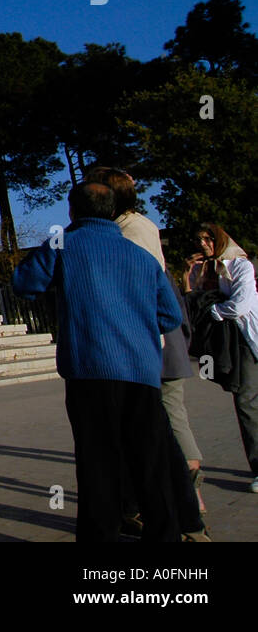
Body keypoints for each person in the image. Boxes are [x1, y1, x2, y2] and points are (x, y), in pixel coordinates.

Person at [14, 181, 182, 542]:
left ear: (72, 212)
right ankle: (166, 534)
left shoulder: (64, 244)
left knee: (97, 463)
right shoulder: (141, 257)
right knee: (150, 462)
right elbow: (170, 316)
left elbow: (25, 284)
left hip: (90, 371)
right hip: (142, 373)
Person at [84, 166, 206, 517]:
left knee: (163, 412)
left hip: (149, 335)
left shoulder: (130, 230)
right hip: (153, 333)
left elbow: (143, 287)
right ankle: (184, 502)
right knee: (166, 411)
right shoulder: (135, 225)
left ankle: (185, 502)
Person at [191, 223, 258, 492]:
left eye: (208, 239)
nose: (203, 244)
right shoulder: (215, 270)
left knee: (247, 403)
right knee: (247, 403)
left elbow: (240, 305)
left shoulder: (240, 266)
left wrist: (215, 311)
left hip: (249, 339)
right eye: (199, 240)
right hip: (241, 342)